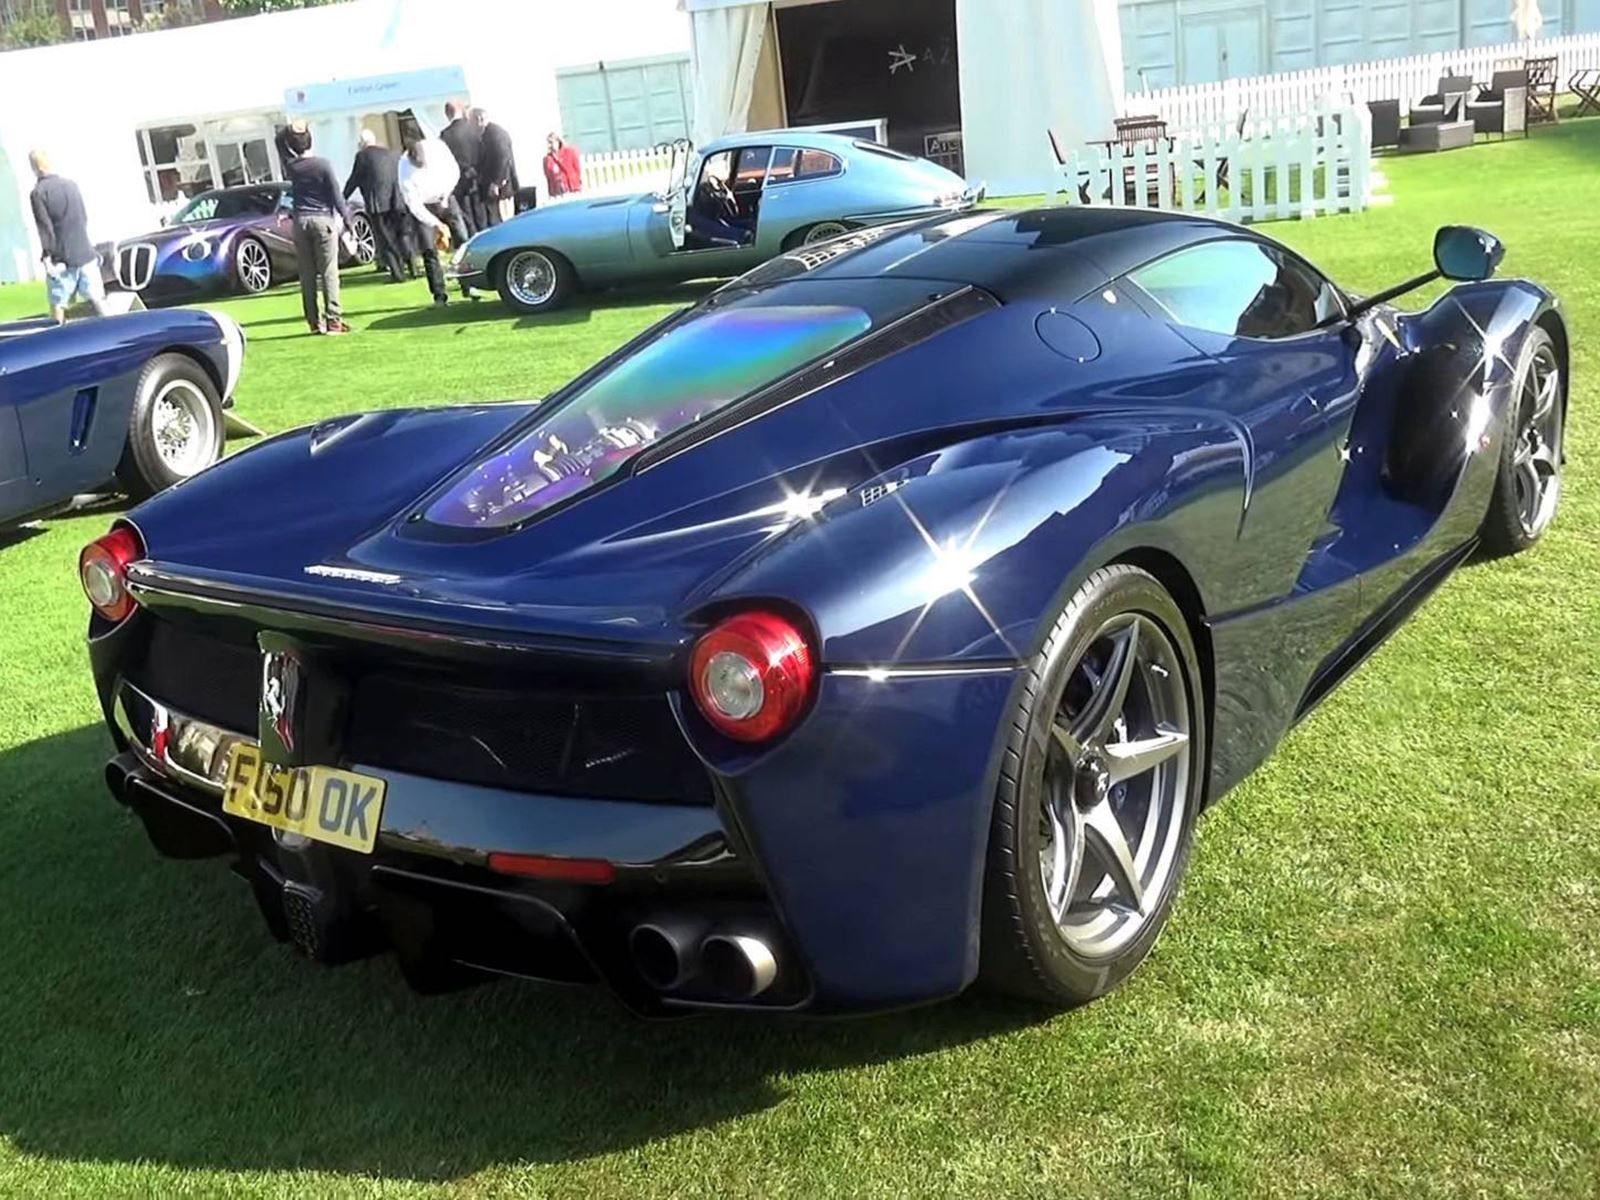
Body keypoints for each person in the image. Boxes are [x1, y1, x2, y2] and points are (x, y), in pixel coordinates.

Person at [278, 120, 356, 335]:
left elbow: (279, 142)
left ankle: (314, 322)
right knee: (329, 271)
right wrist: (348, 220)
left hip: (300, 220)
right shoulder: (323, 164)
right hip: (322, 219)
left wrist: (290, 128)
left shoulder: (292, 166)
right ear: (311, 141)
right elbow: (336, 195)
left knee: (307, 273)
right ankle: (334, 321)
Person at [27, 149, 107, 324]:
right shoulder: (71, 185)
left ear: (33, 167)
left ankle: (58, 341)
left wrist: (48, 255)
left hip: (61, 258)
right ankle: (113, 334)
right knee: (97, 300)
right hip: (85, 251)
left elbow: (45, 228)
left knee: (58, 304)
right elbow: (83, 217)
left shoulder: (38, 193)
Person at [398, 136, 471, 307]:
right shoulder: (404, 166)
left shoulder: (437, 148)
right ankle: (439, 294)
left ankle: (468, 285)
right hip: (424, 205)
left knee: (462, 241)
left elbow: (454, 172)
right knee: (429, 249)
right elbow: (413, 204)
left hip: (445, 197)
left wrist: (445, 197)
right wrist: (436, 224)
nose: (420, 166)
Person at [343, 129, 407, 283]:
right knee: (400, 235)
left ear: (362, 143)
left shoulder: (362, 156)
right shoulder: (389, 153)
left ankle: (397, 274)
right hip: (395, 200)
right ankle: (412, 267)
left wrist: (342, 197)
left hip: (377, 204)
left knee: (385, 239)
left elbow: (354, 179)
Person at [439, 99, 484, 235]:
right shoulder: (474, 128)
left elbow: (444, 160)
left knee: (467, 216)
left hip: (458, 180)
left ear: (447, 113)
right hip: (478, 177)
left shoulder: (445, 134)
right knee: (482, 213)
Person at [472, 107, 519, 227]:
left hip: (501, 188)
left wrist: (496, 182)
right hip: (495, 188)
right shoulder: (488, 134)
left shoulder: (495, 134)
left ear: (479, 120)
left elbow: (503, 157)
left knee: (504, 220)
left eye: (471, 122)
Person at [542, 132, 582, 198]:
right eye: (548, 143)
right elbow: (549, 177)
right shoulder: (547, 159)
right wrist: (551, 193)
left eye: (552, 142)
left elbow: (577, 169)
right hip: (558, 192)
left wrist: (577, 183)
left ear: (558, 142)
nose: (550, 145)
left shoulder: (569, 152)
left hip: (573, 188)